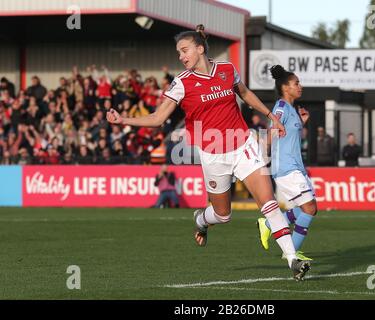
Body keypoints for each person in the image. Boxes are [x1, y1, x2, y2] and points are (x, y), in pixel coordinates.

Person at [106, 24, 310, 280]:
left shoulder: (227, 70)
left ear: (200, 49)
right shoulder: (182, 83)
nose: (181, 56)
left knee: (269, 204)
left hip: (243, 144)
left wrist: (272, 116)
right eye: (179, 52)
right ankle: (202, 220)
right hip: (214, 155)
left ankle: (292, 260)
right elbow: (158, 118)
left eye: (184, 50)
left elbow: (245, 94)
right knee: (223, 216)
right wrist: (123, 120)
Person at [256, 65, 317, 262]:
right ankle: (292, 252)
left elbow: (286, 134)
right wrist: (263, 151)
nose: (300, 86)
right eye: (296, 83)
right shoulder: (281, 107)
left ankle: (268, 225)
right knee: (310, 208)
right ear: (285, 87)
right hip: (286, 168)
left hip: (296, 168)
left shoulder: (291, 109)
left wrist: (302, 122)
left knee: (306, 207)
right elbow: (273, 128)